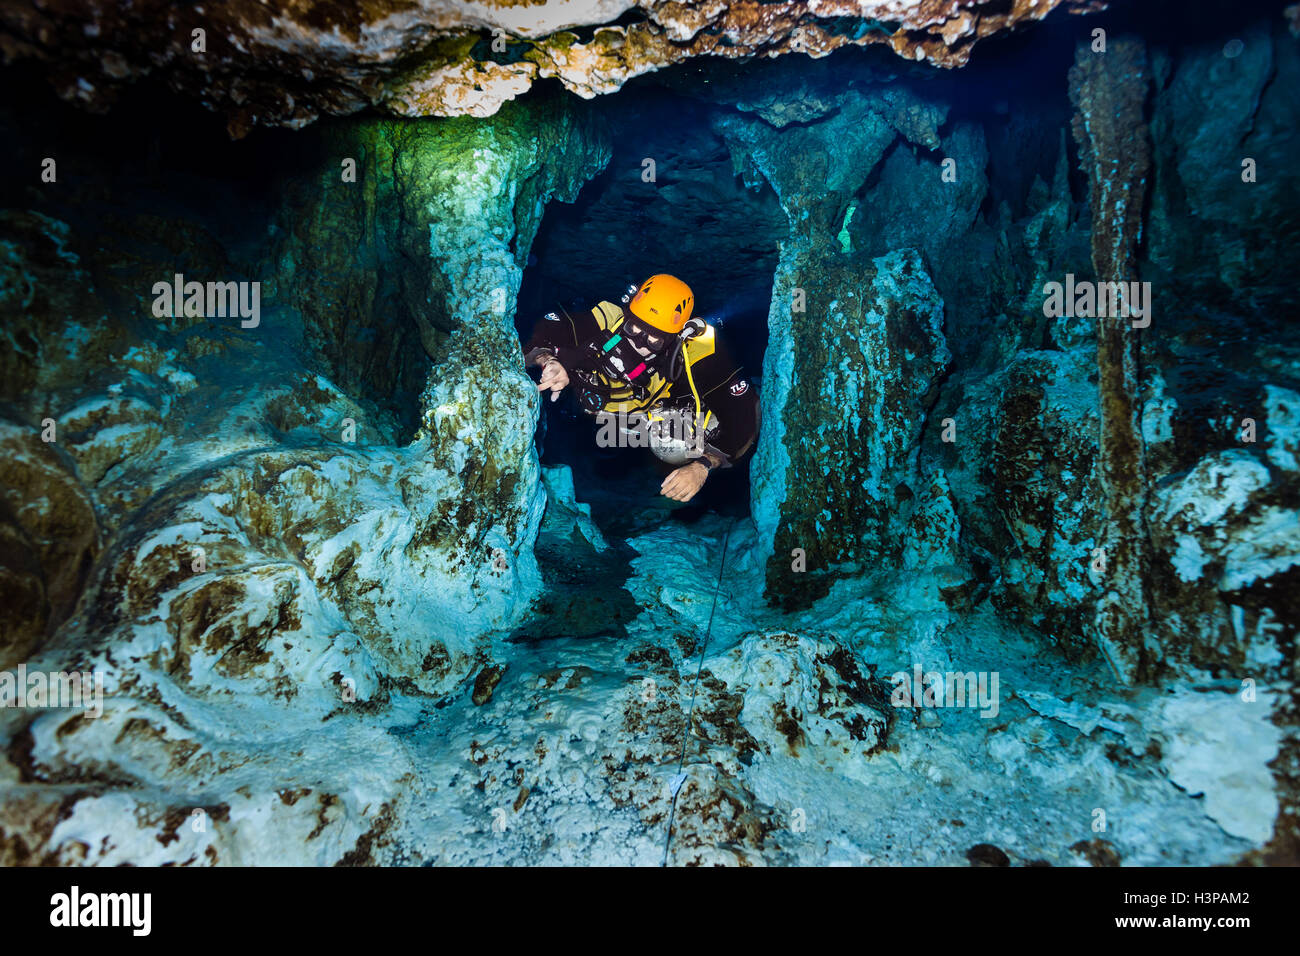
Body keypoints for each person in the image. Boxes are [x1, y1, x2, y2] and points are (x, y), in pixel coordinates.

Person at [523, 274, 759, 502]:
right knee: (600, 442)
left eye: (653, 339)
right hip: (581, 406)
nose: (638, 344)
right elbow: (548, 328)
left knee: (671, 447)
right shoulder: (608, 318)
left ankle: (629, 441)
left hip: (649, 416)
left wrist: (704, 465)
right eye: (634, 329)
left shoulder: (698, 352)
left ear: (674, 338)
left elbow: (744, 413)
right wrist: (548, 360)